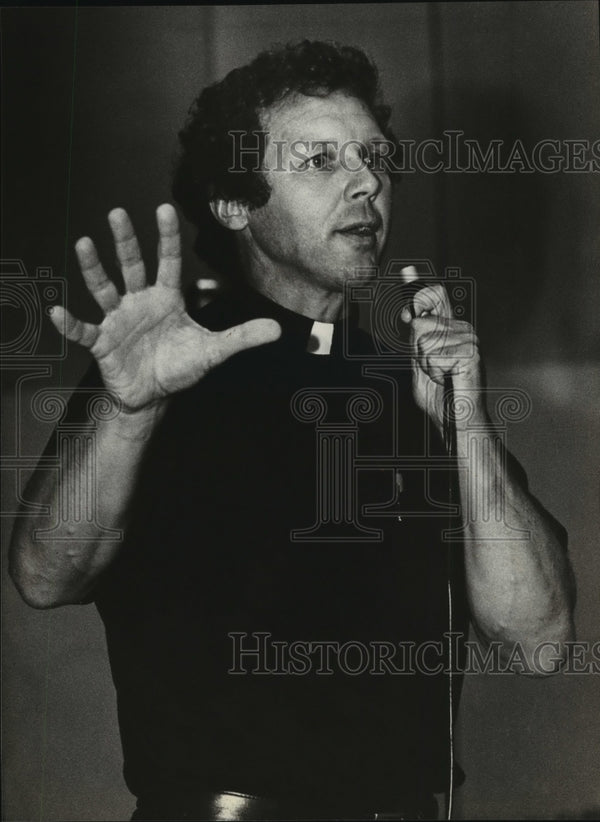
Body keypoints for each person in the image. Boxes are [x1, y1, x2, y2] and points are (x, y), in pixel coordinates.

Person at [10, 41, 574, 821]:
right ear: (237, 204)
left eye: (373, 157)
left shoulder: (416, 386)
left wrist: (465, 423)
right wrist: (129, 409)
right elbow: (44, 577)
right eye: (319, 160)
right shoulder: (155, 371)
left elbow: (538, 638)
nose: (367, 180)